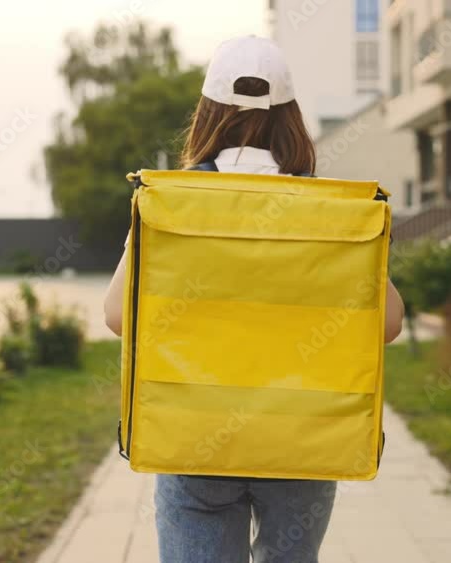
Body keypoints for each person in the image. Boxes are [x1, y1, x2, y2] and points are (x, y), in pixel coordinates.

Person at [103, 35, 405, 563]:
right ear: (289, 116)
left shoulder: (170, 202)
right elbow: (390, 322)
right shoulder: (329, 212)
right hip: (301, 437)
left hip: (194, 434)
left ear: (207, 114)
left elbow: (115, 315)